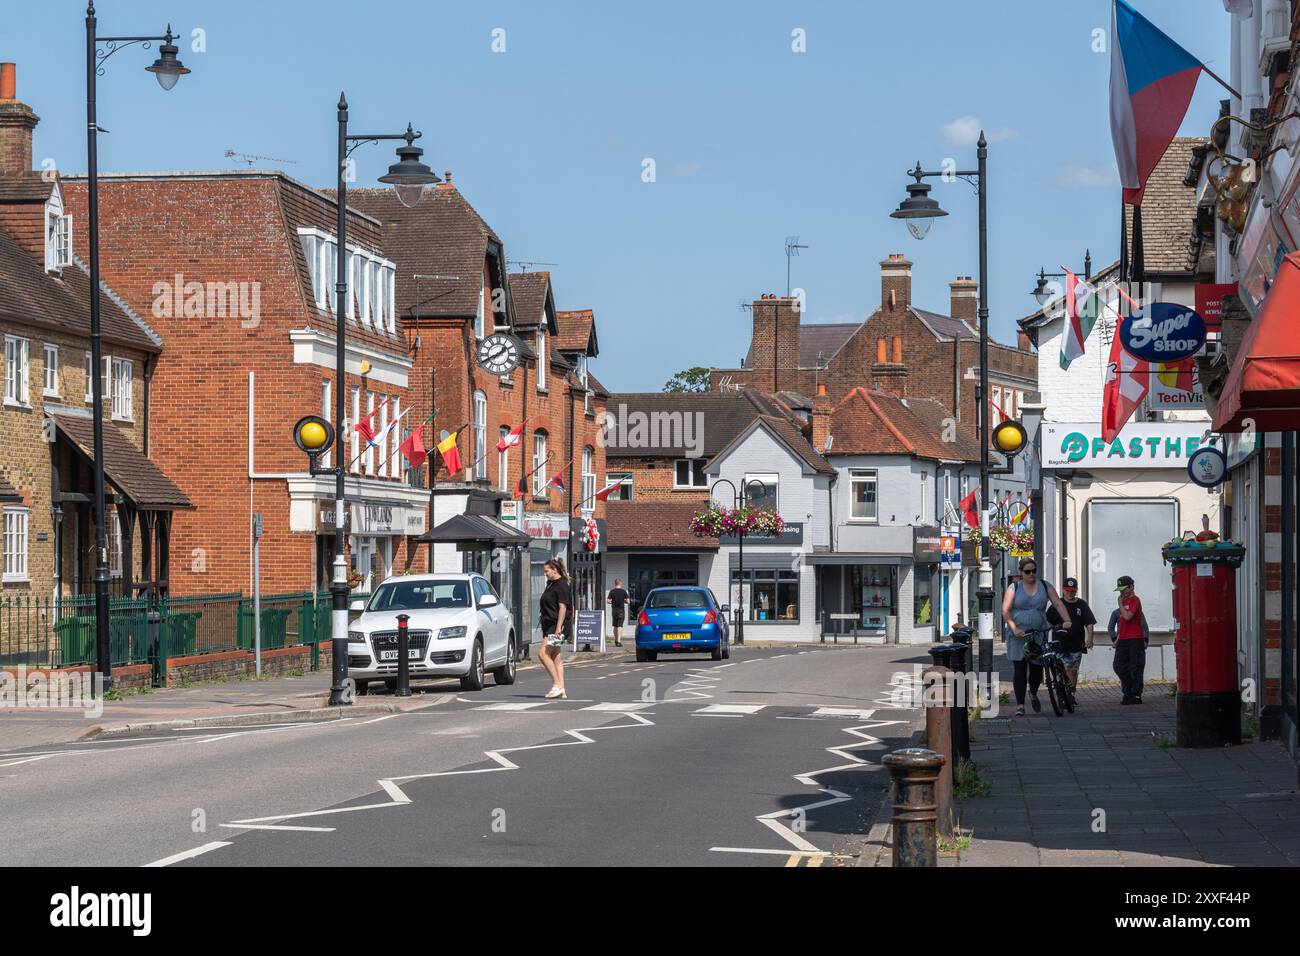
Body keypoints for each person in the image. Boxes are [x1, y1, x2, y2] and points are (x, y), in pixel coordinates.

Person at [1001, 557, 1071, 717]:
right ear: (1021, 573)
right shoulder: (1014, 587)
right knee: (1019, 670)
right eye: (1027, 571)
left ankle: (1033, 693)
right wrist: (1014, 628)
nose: (1031, 574)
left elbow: (1058, 603)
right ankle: (1020, 705)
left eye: (1034, 571)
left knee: (1037, 669)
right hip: (1019, 635)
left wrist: (1067, 620)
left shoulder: (1045, 586)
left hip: (1039, 633)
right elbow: (1005, 610)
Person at [1045, 576, 1097, 696]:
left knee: (1073, 670)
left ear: (1076, 590)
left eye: (1072, 591)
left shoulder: (1081, 605)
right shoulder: (1057, 605)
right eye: (1067, 590)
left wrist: (1090, 639)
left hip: (1077, 643)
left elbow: (1089, 623)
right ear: (1063, 590)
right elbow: (1047, 622)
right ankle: (1063, 691)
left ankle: (1071, 694)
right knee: (1065, 667)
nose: (1070, 593)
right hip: (1060, 643)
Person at [537, 559, 573, 699]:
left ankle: (557, 685)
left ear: (554, 570)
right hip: (549, 624)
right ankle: (562, 689)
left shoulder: (561, 585)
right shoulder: (550, 584)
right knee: (556, 657)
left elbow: (563, 607)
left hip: (556, 625)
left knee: (542, 654)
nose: (545, 574)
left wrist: (558, 627)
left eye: (547, 571)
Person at [1111, 575, 1148, 705]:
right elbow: (1122, 624)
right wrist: (1118, 637)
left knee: (1135, 667)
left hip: (1135, 638)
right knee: (1118, 666)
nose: (1122, 593)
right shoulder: (1124, 602)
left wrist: (1120, 604)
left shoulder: (1135, 600)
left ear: (1131, 587)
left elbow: (1127, 617)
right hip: (1124, 638)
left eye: (1124, 589)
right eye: (1120, 590)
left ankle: (1135, 694)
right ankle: (1131, 689)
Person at [606, 578, 630, 648]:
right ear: (620, 583)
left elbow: (608, 601)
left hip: (614, 610)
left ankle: (616, 640)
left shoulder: (612, 591)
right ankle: (618, 641)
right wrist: (624, 601)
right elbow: (628, 601)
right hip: (621, 611)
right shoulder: (624, 592)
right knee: (620, 626)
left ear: (615, 583)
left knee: (615, 625)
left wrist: (613, 601)